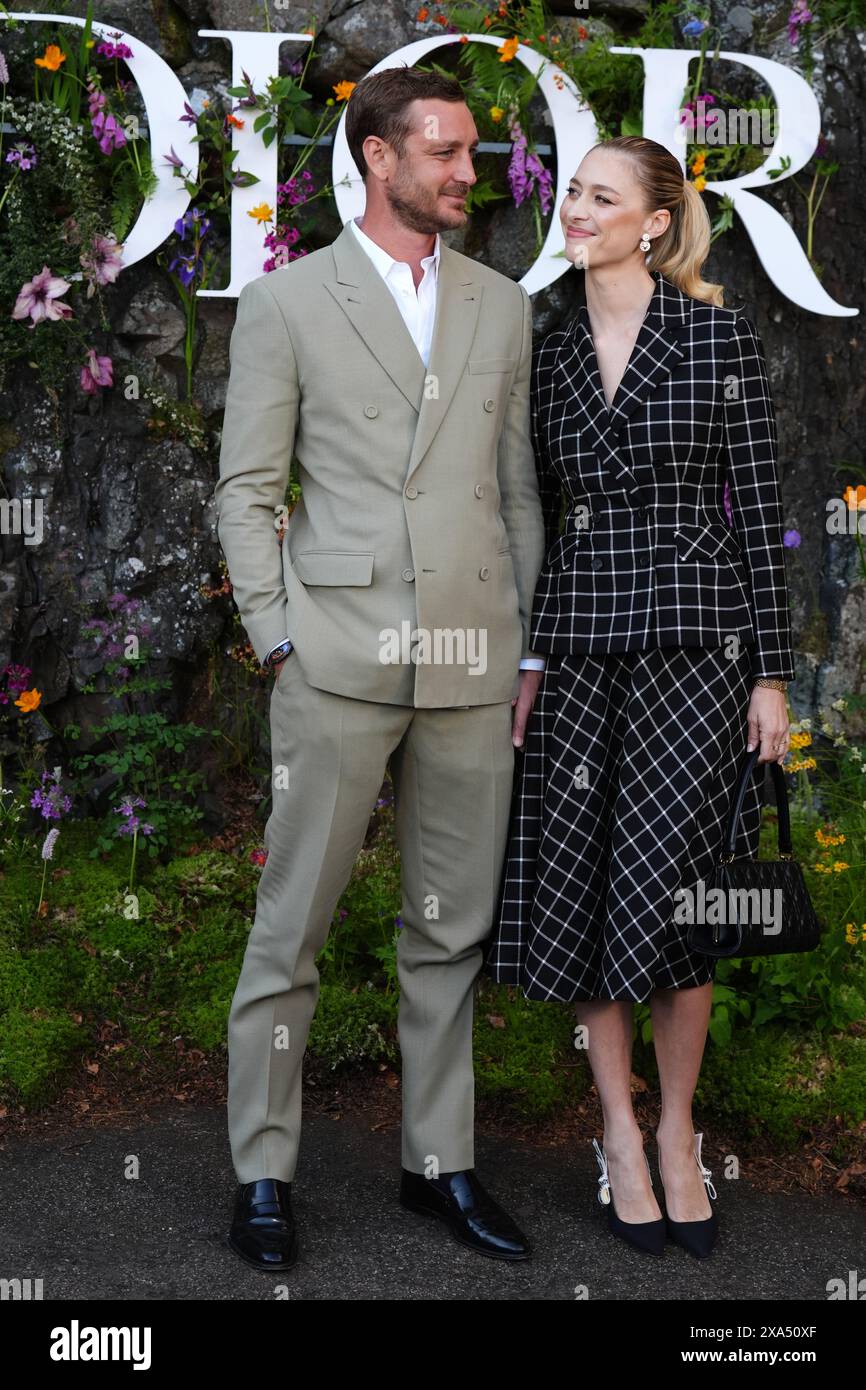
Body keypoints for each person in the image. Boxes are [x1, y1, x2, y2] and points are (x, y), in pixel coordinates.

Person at [213, 65, 546, 1270]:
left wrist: (526, 645)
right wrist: (278, 637)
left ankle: (436, 1162)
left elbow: (515, 491)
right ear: (378, 156)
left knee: (448, 932)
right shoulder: (287, 302)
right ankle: (262, 1172)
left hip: (473, 660)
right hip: (337, 660)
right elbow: (246, 492)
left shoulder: (500, 305)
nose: (468, 172)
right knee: (289, 928)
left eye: (470, 152)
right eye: (445, 151)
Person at [485, 135, 795, 1260]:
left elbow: (759, 507)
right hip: (577, 646)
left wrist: (770, 672)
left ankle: (676, 1133)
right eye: (570, 191)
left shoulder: (714, 336)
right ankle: (616, 1130)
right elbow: (525, 512)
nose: (574, 209)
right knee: (584, 882)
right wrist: (526, 659)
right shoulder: (546, 345)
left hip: (695, 649)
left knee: (683, 896)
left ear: (654, 222)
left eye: (599, 197)